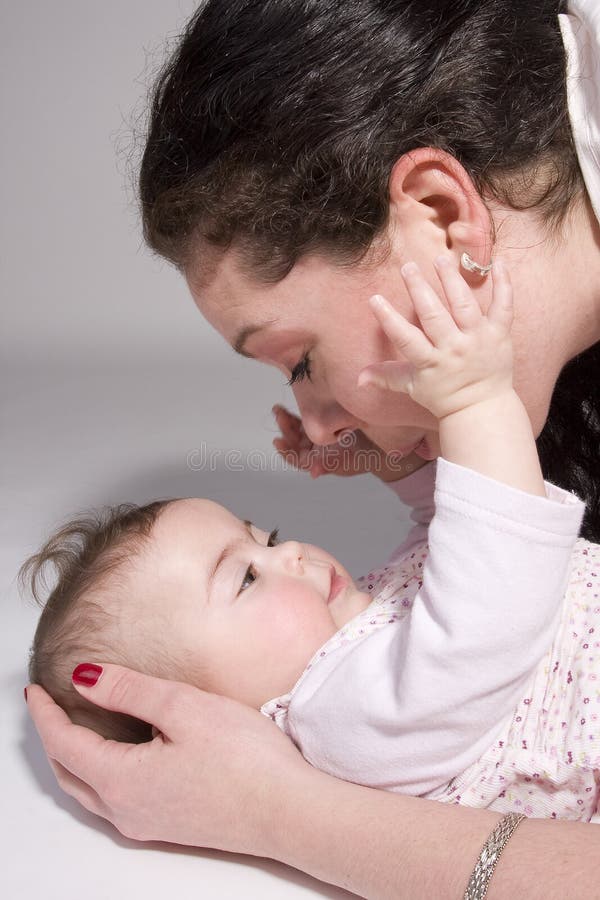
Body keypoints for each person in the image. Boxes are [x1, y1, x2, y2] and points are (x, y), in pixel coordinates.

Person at [26, 1, 600, 896]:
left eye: (298, 358)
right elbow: (473, 580)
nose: (320, 425)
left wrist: (273, 811)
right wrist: (417, 452)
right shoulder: (344, 703)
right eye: (246, 576)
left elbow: (482, 581)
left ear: (444, 221)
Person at [25, 258, 596, 823]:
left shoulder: (361, 622)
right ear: (203, 710)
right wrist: (477, 403)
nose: (290, 553)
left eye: (265, 540)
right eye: (245, 577)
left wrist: (378, 457)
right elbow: (487, 614)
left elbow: (438, 524)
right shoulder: (339, 719)